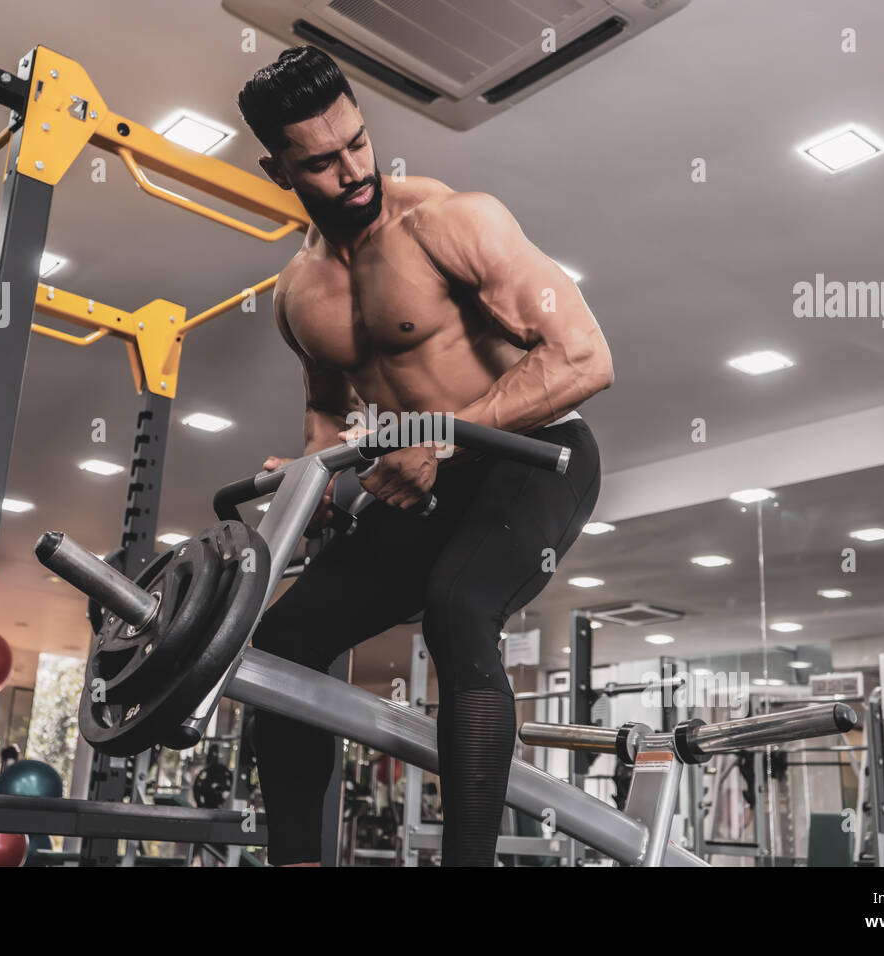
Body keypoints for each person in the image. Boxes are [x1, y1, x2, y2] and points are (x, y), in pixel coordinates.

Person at [237, 46, 614, 867]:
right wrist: (316, 479)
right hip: (423, 481)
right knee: (279, 645)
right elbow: (325, 412)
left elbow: (586, 357)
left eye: (359, 145)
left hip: (535, 453)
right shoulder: (298, 294)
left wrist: (437, 437)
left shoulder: (450, 221)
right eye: (322, 162)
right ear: (278, 168)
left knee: (457, 607)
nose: (353, 172)